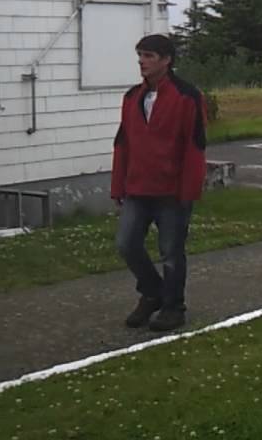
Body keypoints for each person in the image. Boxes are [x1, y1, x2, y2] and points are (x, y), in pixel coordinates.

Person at [110, 34, 208, 332]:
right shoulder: (131, 98)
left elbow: (195, 147)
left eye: (149, 55)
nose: (142, 61)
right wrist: (118, 186)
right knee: (126, 244)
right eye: (140, 55)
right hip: (137, 190)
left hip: (172, 193)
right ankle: (152, 292)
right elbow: (123, 143)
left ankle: (173, 307)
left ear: (166, 60)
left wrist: (188, 191)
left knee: (171, 253)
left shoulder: (187, 96)